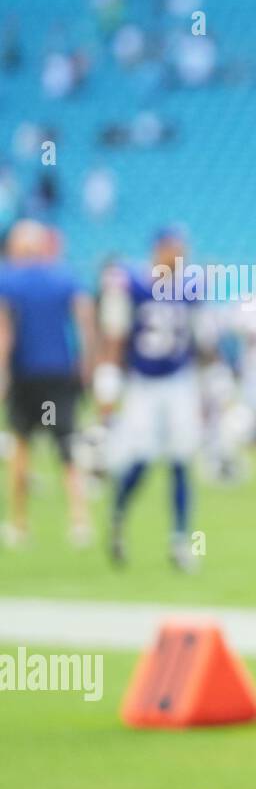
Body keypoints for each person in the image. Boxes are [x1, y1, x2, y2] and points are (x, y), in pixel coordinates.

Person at [98, 226, 207, 571]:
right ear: (158, 250)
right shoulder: (133, 283)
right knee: (141, 460)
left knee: (180, 459)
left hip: (179, 382)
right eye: (174, 249)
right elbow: (115, 335)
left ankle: (180, 540)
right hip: (143, 383)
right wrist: (109, 379)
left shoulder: (191, 286)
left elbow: (200, 339)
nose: (179, 255)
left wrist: (212, 380)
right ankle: (117, 521)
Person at [0, 219, 95, 548]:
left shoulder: (8, 279)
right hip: (58, 377)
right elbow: (84, 317)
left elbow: (4, 332)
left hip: (26, 377)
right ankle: (79, 521)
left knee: (22, 447)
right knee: (67, 446)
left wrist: (2, 374)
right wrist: (86, 361)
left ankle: (19, 523)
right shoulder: (63, 276)